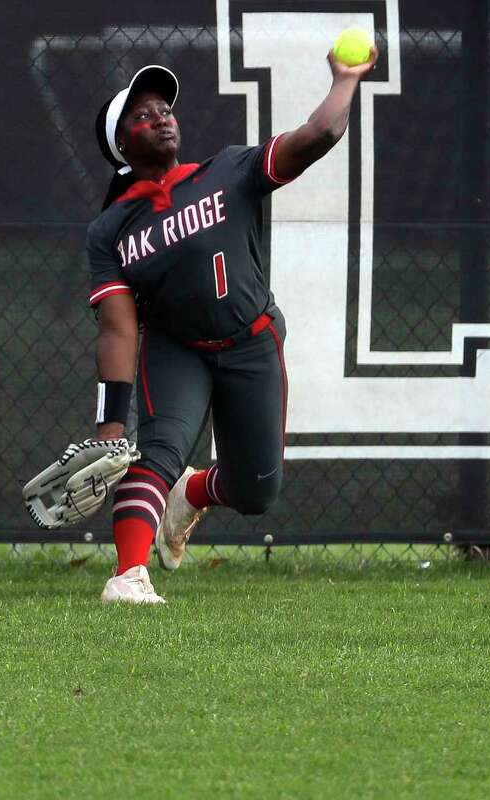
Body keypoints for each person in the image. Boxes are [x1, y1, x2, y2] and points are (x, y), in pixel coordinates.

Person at [88, 48, 378, 603]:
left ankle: (192, 492)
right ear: (122, 144)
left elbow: (317, 135)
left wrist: (346, 80)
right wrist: (110, 427)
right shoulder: (110, 230)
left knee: (256, 490)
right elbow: (118, 331)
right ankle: (128, 576)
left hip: (251, 342)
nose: (161, 118)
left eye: (165, 110)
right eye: (143, 115)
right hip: (177, 348)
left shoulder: (227, 170)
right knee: (157, 452)